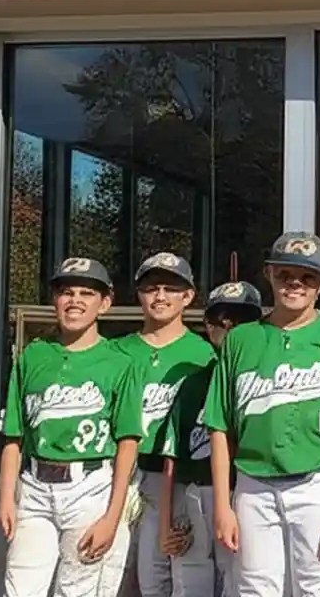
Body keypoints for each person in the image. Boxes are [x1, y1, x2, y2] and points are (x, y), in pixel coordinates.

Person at [204, 232, 320, 597]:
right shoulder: (241, 340)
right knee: (254, 588)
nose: (295, 283)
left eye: (307, 277)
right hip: (253, 485)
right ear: (269, 274)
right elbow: (219, 427)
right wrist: (222, 503)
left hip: (317, 484)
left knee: (319, 587)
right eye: (285, 274)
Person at [0, 257, 143, 597]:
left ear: (104, 303)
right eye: (66, 292)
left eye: (86, 293)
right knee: (19, 589)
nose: (74, 300)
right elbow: (14, 436)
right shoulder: (33, 356)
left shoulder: (120, 362)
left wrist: (112, 516)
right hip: (34, 487)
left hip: (89, 485)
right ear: (55, 300)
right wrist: (6, 496)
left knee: (76, 590)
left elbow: (128, 443)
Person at [114, 252, 217, 597]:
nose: (160, 296)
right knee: (113, 573)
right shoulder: (117, 350)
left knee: (165, 576)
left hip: (174, 477)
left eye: (170, 288)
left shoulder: (204, 354)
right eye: (151, 288)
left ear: (188, 297)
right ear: (138, 295)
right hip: (116, 475)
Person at [157, 281, 265, 597]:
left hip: (245, 492)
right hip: (195, 495)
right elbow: (172, 456)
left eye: (241, 319)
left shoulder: (264, 376)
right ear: (207, 326)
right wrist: (165, 521)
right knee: (190, 584)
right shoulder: (194, 381)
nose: (229, 327)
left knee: (241, 583)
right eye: (221, 319)